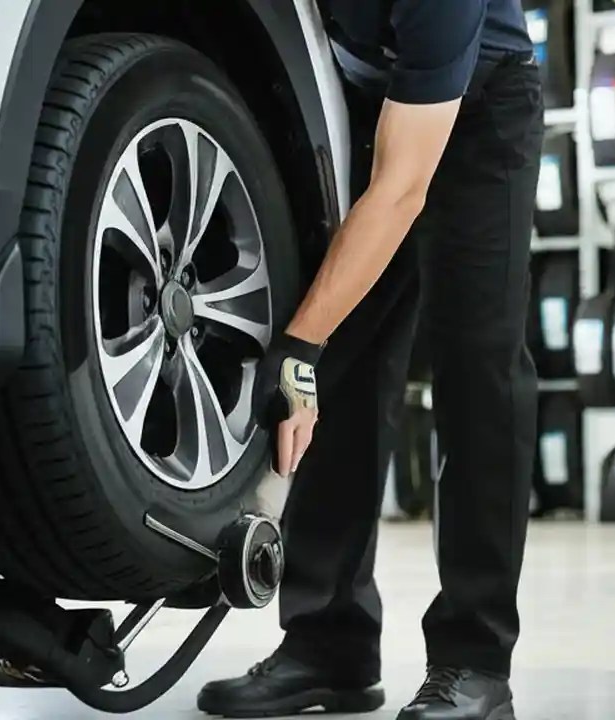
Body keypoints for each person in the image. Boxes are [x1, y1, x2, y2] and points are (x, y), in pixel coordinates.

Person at [197, 1, 542, 718]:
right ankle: (329, 646)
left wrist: (301, 344)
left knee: (477, 372)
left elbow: (401, 188)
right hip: (364, 99)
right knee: (342, 369)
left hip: (481, 110)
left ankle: (476, 664)